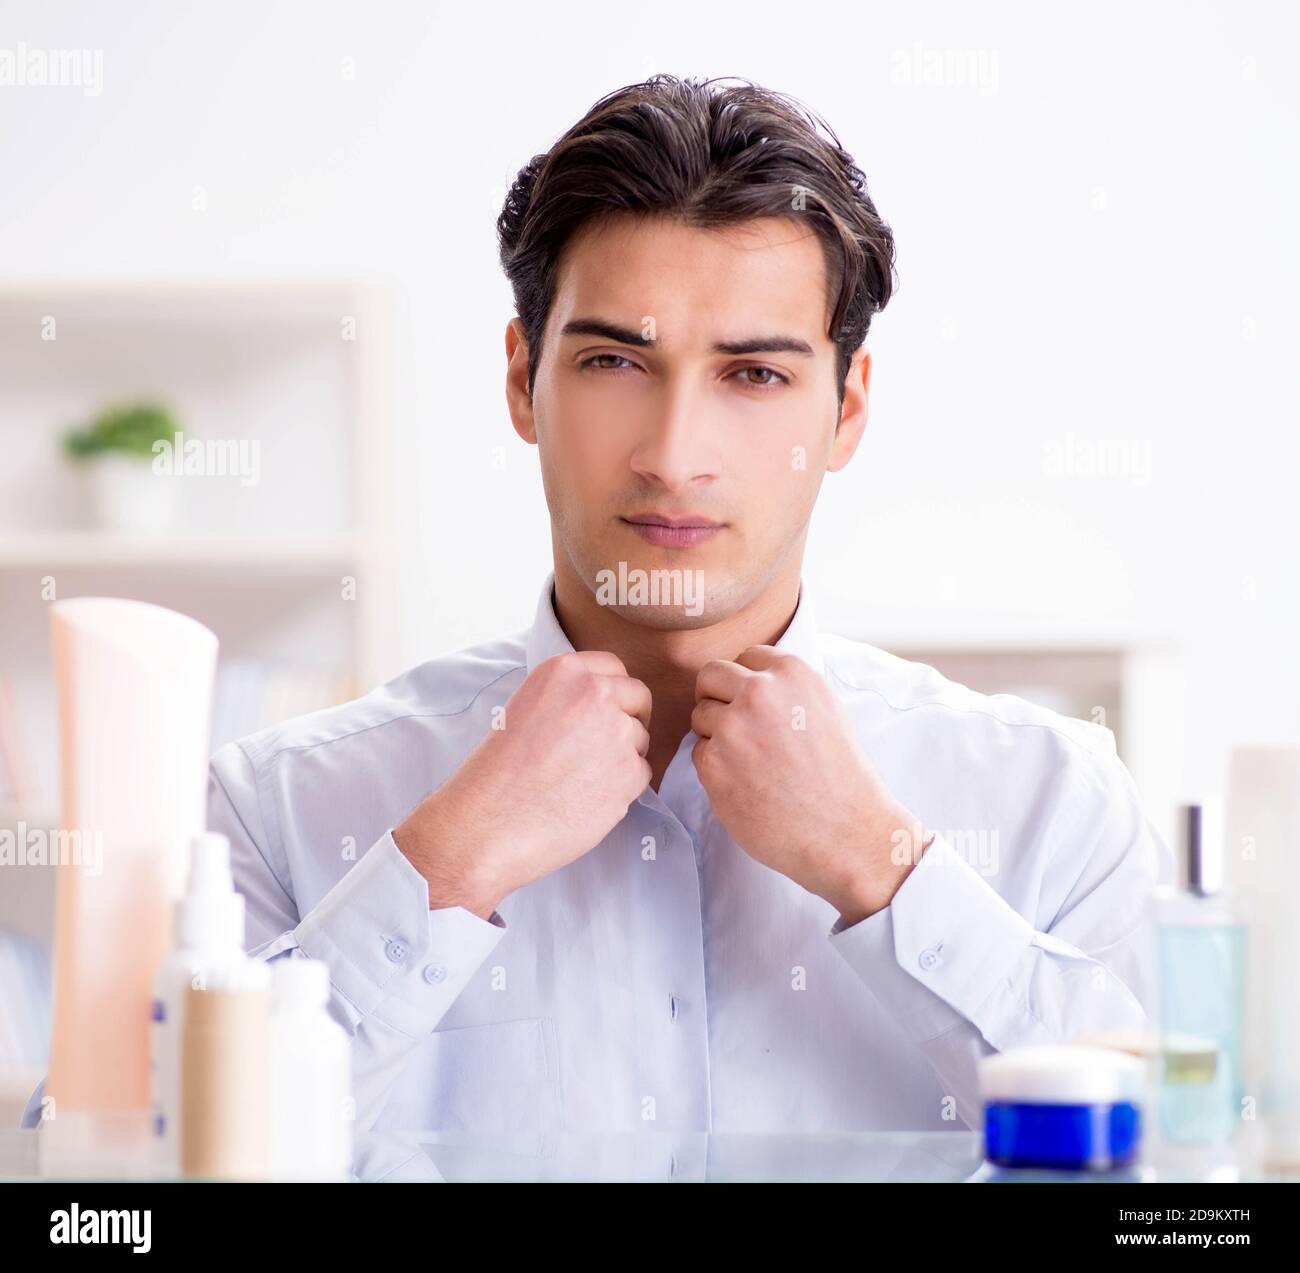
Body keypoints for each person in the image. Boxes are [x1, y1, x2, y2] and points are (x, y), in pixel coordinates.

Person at [25, 74, 1169, 1141]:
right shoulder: (280, 807)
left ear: (846, 410)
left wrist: (883, 872)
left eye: (755, 374)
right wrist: (444, 865)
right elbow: (95, 1183)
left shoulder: (1050, 808)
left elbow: (1172, 1176)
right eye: (617, 363)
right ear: (523, 379)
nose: (675, 457)